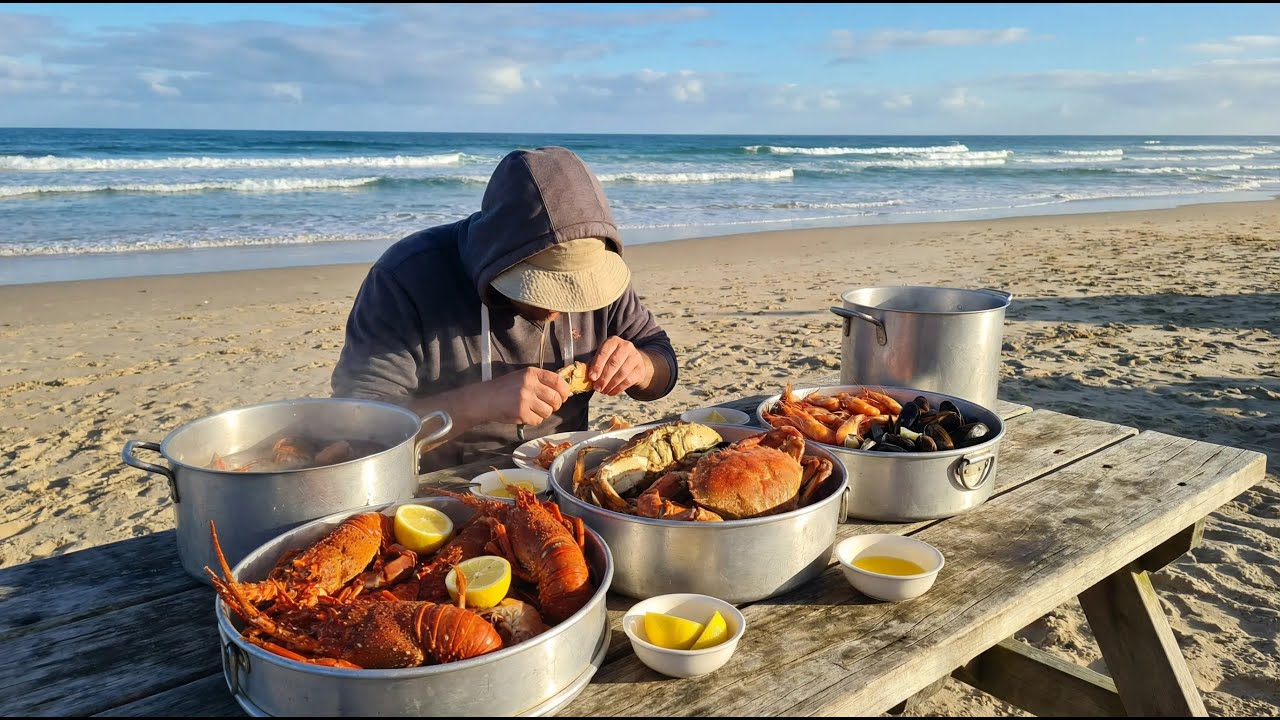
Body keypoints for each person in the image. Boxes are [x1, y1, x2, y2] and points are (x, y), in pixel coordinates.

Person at [331, 146, 679, 471]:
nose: (559, 311)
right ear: (498, 260)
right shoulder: (406, 279)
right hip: (447, 479)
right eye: (543, 291)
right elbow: (363, 427)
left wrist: (642, 367)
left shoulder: (593, 266)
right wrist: (478, 403)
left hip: (564, 469)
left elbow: (661, 357)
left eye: (575, 293)